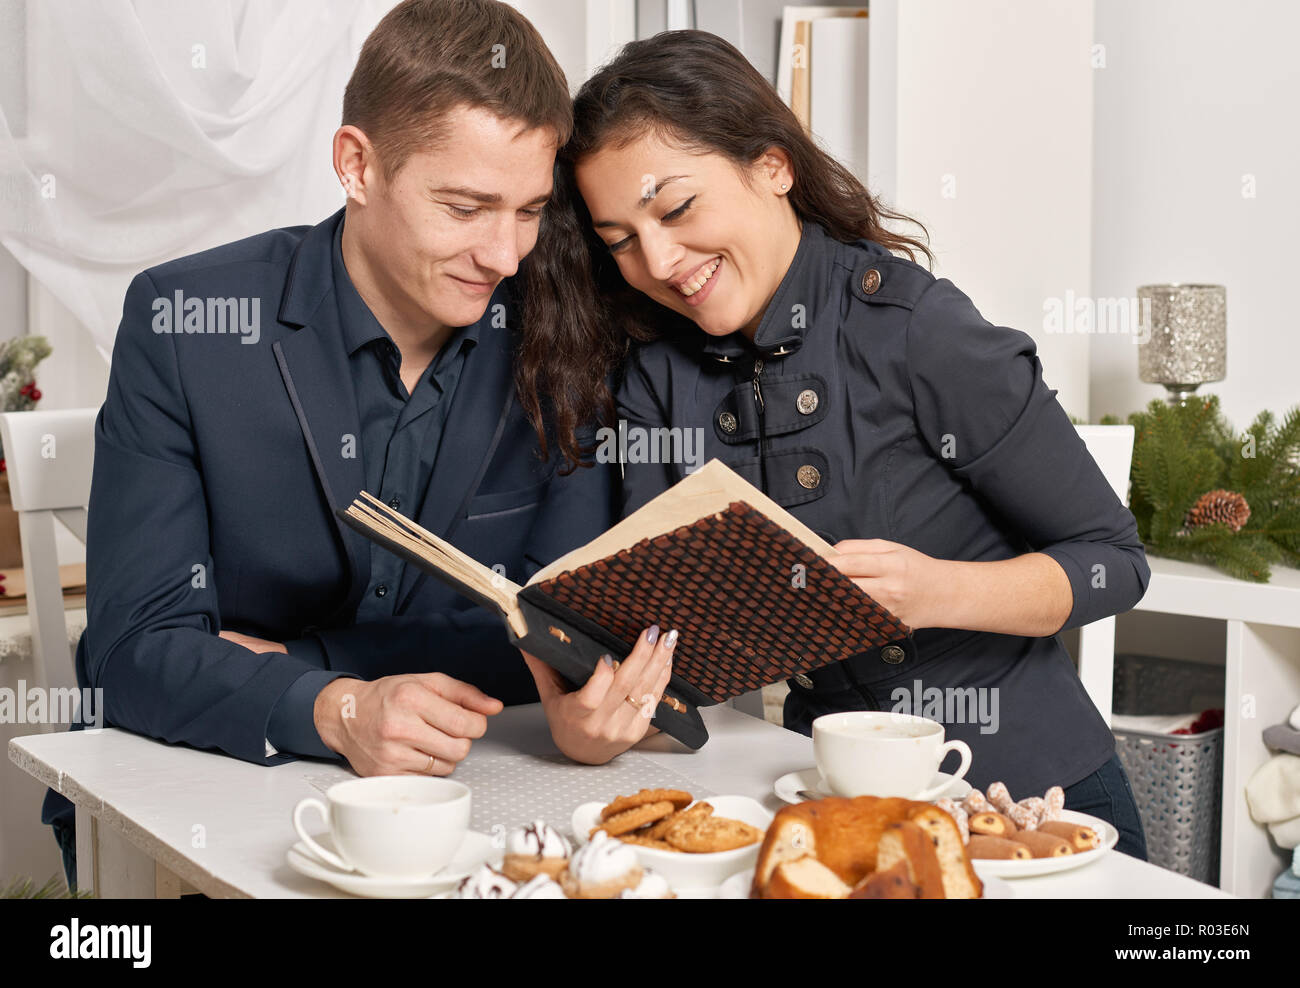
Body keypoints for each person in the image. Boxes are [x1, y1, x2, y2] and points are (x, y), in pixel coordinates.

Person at [41, 0, 671, 890]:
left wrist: (298, 664)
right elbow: (131, 648)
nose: (504, 253)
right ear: (357, 165)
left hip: (472, 793)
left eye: (530, 210)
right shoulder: (186, 326)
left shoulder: (557, 335)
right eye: (465, 206)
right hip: (195, 787)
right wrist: (335, 709)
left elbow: (556, 634)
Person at [547, 30, 1152, 857]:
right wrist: (597, 721)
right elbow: (665, 651)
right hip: (819, 789)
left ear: (772, 166)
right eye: (619, 240)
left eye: (677, 208)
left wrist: (936, 591)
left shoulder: (918, 329)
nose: (657, 259)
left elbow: (1113, 559)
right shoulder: (655, 378)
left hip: (1025, 797)